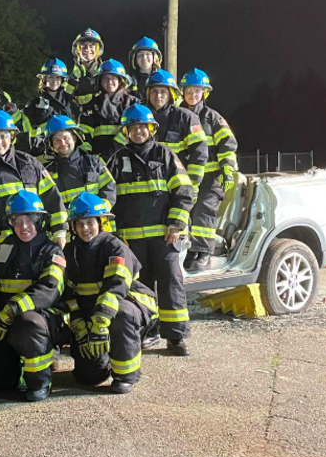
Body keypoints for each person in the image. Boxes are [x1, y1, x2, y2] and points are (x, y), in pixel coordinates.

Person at [107, 104, 195, 355]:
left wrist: (176, 223)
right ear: (126, 131)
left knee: (171, 282)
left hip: (163, 236)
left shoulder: (165, 155)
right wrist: (115, 236)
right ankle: (147, 331)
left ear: (151, 129)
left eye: (142, 127)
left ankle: (175, 337)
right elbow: (108, 198)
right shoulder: (116, 159)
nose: (137, 132)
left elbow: (183, 191)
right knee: (140, 288)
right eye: (132, 128)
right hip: (131, 240)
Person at [0, 191, 68, 402]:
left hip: (41, 321)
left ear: (40, 220)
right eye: (17, 220)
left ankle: (40, 381)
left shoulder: (52, 251)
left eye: (29, 219)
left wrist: (10, 310)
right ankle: (12, 367)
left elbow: (48, 289)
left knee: (28, 322)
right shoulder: (3, 249)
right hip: (3, 323)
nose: (24, 226)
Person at [59, 192, 159, 394]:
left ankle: (125, 375)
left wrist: (100, 322)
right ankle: (104, 360)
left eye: (90, 222)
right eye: (79, 223)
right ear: (73, 227)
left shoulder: (115, 247)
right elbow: (68, 291)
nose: (85, 228)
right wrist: (78, 322)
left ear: (101, 222)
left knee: (122, 315)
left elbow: (116, 286)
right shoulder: (70, 251)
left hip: (126, 304)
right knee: (87, 377)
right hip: (91, 311)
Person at [0, 109, 68, 248]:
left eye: (3, 136)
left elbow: (52, 198)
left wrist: (59, 231)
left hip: (34, 245)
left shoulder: (29, 162)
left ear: (12, 136)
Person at [179, 68, 240, 272]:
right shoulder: (177, 116)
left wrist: (227, 170)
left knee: (203, 212)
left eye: (198, 91)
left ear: (204, 93)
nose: (193, 94)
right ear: (182, 91)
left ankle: (203, 252)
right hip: (184, 177)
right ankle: (186, 251)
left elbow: (228, 145)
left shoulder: (212, 118)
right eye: (189, 90)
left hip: (210, 178)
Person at [5, 59, 80, 159]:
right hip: (43, 156)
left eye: (58, 77)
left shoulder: (71, 102)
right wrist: (10, 108)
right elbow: (21, 124)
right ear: (44, 79)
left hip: (69, 155)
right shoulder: (34, 104)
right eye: (50, 77)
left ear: (63, 80)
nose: (54, 81)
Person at [145, 69, 208, 190]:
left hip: (177, 182)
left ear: (171, 94)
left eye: (163, 91)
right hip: (147, 184)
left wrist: (192, 184)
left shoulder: (186, 117)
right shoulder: (140, 117)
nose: (158, 95)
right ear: (148, 94)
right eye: (154, 91)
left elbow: (199, 151)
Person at [42, 114, 117, 210]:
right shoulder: (48, 172)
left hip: (95, 221)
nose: (63, 143)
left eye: (66, 138)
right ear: (51, 145)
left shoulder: (94, 164)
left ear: (74, 138)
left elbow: (109, 190)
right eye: (57, 140)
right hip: (68, 223)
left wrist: (100, 210)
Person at [78, 59, 143, 163]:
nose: (109, 82)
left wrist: (107, 155)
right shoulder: (91, 106)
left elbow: (136, 132)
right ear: (100, 82)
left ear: (120, 80)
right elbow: (85, 137)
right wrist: (88, 161)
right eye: (105, 79)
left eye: (113, 78)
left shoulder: (133, 104)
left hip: (128, 158)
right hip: (98, 160)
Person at [64, 28, 104, 107]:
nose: (88, 49)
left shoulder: (106, 74)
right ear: (77, 50)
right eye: (84, 46)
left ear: (98, 50)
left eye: (92, 46)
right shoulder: (69, 77)